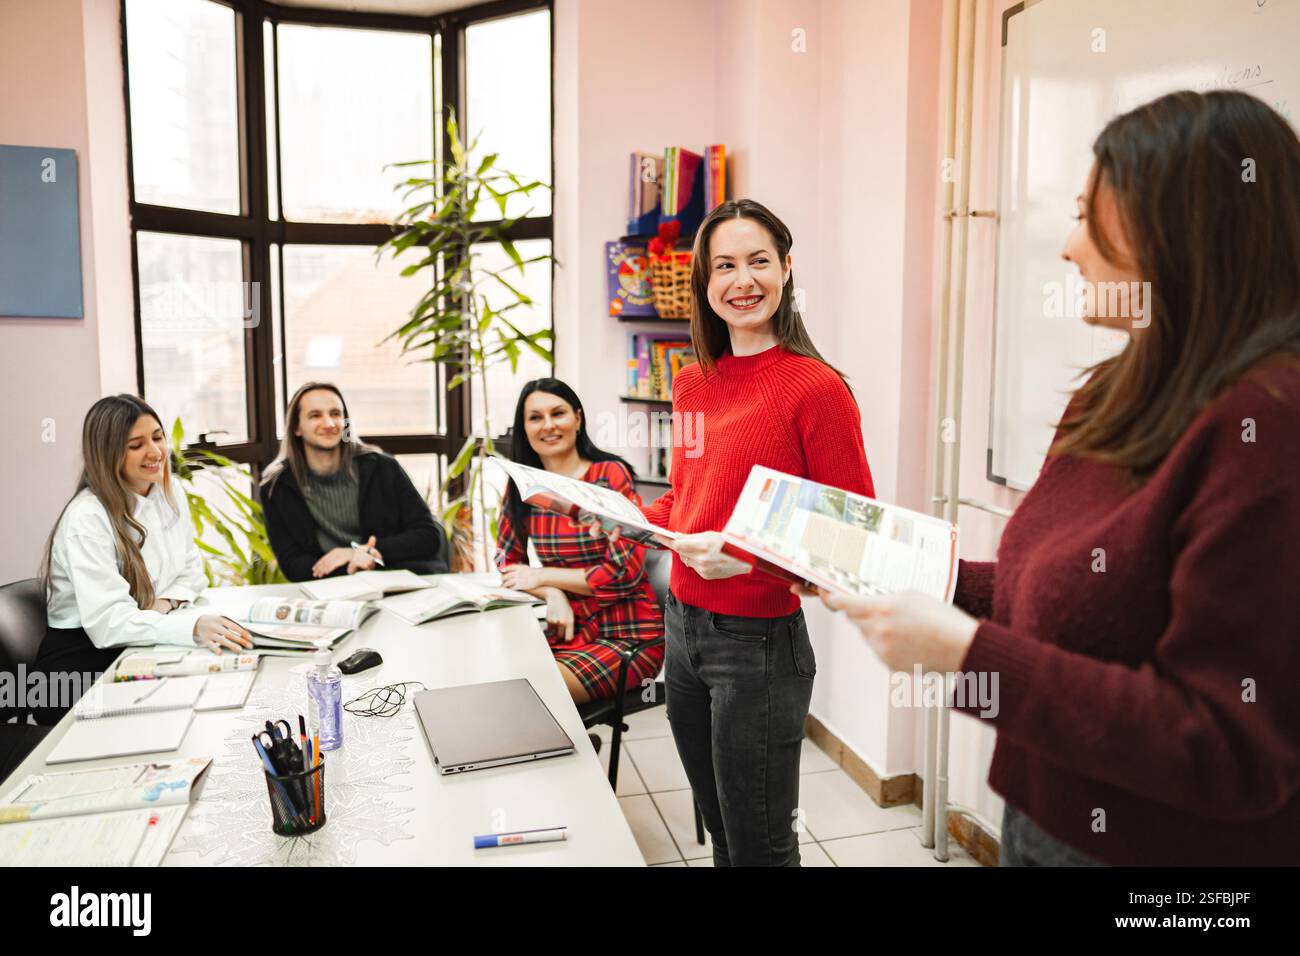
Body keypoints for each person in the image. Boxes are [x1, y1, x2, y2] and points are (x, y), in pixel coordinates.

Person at [817, 90, 1300, 866]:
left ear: (1182, 228)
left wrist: (963, 655)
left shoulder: (1268, 425)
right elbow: (1052, 595)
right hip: (1039, 814)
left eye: (1090, 216)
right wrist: (898, 576)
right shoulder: (1109, 391)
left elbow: (1232, 753)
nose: (1069, 248)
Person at [596, 199, 875, 866]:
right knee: (723, 831)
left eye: (757, 261)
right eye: (724, 265)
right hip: (683, 632)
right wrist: (623, 518)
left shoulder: (817, 389)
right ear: (704, 281)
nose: (742, 280)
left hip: (756, 648)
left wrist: (753, 564)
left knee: (760, 846)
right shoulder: (692, 384)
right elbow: (690, 500)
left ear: (786, 269)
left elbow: (853, 544)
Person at [34, 395, 253, 724]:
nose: (155, 452)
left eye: (157, 437)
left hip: (139, 638)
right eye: (136, 444)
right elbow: (109, 625)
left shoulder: (169, 491)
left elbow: (192, 573)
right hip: (79, 667)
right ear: (108, 452)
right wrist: (189, 625)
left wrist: (162, 605)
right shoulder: (87, 517)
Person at [497, 379, 664, 706]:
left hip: (626, 634)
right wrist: (552, 593)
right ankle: (573, 746)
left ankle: (572, 748)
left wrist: (545, 577)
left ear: (577, 418)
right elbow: (507, 564)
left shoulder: (609, 475)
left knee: (534, 696)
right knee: (496, 678)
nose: (548, 425)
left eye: (557, 413)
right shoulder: (524, 488)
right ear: (524, 428)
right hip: (565, 628)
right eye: (535, 417)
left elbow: (622, 573)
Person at [261, 382, 449, 582]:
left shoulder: (382, 468)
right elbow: (293, 564)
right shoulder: (276, 488)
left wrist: (364, 553)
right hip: (334, 590)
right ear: (297, 428)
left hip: (401, 581)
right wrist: (353, 570)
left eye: (335, 414)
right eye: (315, 415)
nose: (329, 424)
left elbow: (428, 536)